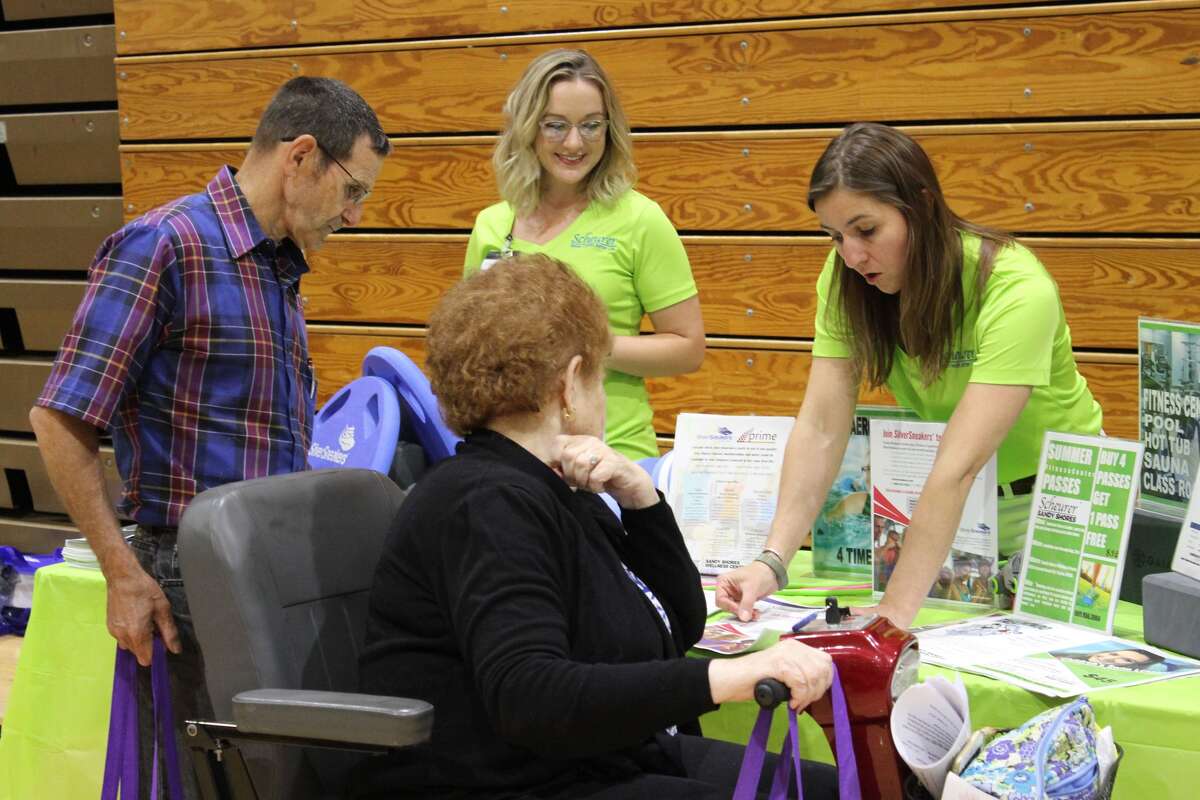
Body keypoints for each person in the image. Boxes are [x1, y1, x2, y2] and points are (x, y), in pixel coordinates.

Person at [353, 254, 837, 800]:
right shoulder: (485, 503)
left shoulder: (546, 484)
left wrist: (642, 500)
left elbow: (675, 626)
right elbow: (530, 697)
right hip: (499, 781)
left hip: (586, 760)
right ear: (569, 383)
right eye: (601, 374)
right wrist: (732, 677)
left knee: (832, 790)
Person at [28, 76, 390, 797]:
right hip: (182, 583)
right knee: (198, 783)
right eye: (353, 191)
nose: (354, 215)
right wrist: (121, 572)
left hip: (264, 576)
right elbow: (61, 419)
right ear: (302, 157)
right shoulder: (163, 245)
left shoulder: (278, 266)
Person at [718, 122, 1102, 629]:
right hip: (965, 517)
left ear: (920, 205)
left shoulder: (1015, 285)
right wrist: (772, 561)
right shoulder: (844, 282)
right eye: (835, 237)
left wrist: (893, 614)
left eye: (867, 230)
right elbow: (820, 428)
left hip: (1060, 509)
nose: (851, 256)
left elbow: (957, 466)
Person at [464, 49, 704, 460]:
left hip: (610, 457)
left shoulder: (640, 220)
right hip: (512, 457)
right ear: (527, 128)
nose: (574, 143)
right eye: (556, 126)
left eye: (591, 126)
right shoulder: (491, 224)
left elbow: (688, 348)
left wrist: (585, 345)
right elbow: (471, 348)